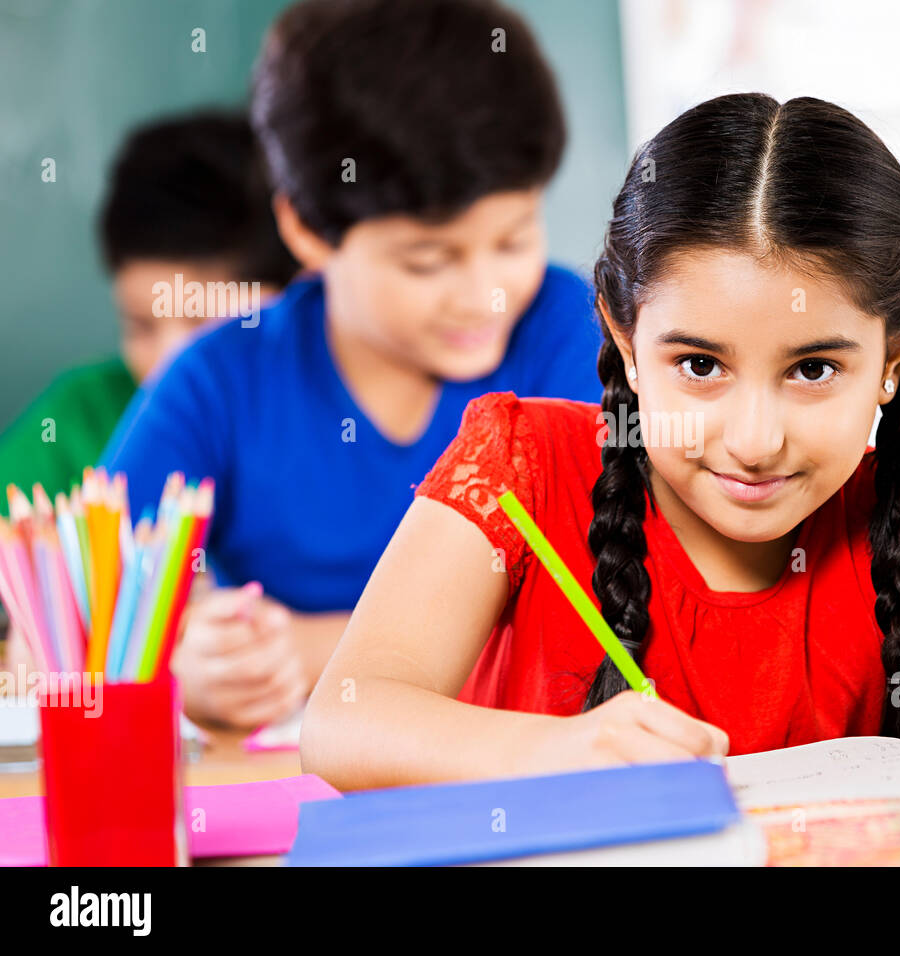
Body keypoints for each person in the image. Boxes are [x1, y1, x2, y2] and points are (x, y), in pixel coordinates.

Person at [303, 93, 900, 790]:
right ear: (625, 340)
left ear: (894, 354)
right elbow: (343, 721)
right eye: (700, 366)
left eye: (813, 369)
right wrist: (556, 750)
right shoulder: (522, 463)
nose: (754, 442)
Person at [102, 0, 603, 729]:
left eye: (514, 239)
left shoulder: (581, 339)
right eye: (428, 260)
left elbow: (606, 619)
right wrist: (182, 663)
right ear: (306, 229)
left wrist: (315, 651)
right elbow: (71, 633)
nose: (482, 293)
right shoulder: (218, 382)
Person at [0, 111, 296, 507]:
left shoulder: (336, 424)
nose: (169, 362)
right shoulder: (75, 425)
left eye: (206, 326)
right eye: (140, 326)